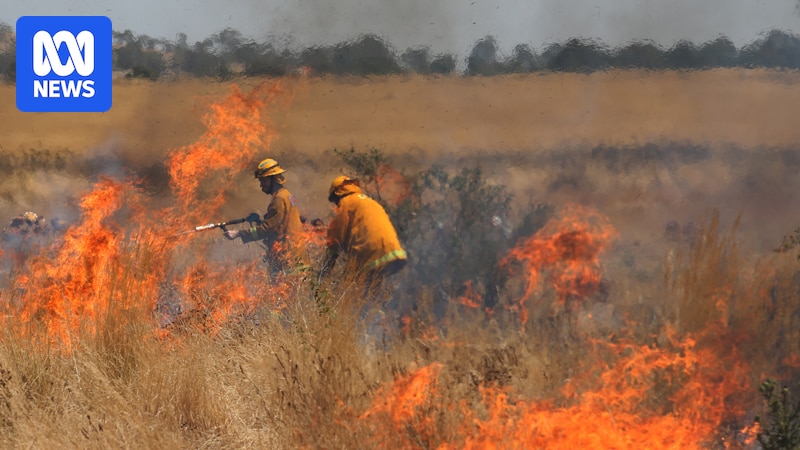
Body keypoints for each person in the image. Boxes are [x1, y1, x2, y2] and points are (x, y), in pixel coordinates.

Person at [224, 158, 310, 273]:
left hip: (288, 262)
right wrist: (261, 221)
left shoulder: (278, 200)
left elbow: (267, 229)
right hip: (297, 257)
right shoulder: (286, 195)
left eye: (264, 181)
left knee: (281, 290)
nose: (261, 185)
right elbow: (280, 224)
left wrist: (239, 233)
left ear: (273, 179)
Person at [321, 175, 408, 289]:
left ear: (338, 193)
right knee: (372, 291)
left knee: (351, 290)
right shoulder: (369, 201)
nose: (336, 204)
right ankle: (376, 306)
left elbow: (336, 237)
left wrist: (325, 270)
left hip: (370, 251)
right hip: (392, 250)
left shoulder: (347, 203)